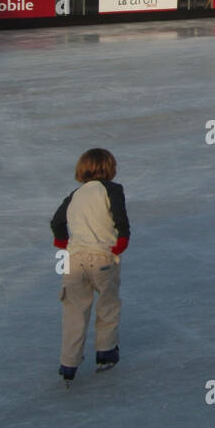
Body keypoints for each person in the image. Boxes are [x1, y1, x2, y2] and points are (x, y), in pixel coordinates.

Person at [51, 147, 130, 383]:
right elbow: (119, 215)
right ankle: (105, 352)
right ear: (109, 168)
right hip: (102, 257)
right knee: (107, 304)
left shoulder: (75, 194)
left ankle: (68, 363)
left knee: (73, 311)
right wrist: (123, 238)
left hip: (74, 260)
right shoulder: (112, 190)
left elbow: (57, 221)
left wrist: (62, 241)